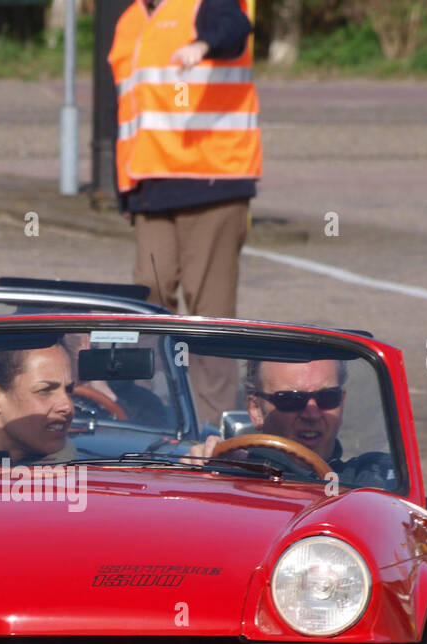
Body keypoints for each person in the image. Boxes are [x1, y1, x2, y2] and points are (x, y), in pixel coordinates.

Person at [108, 0, 260, 427]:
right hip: (151, 187)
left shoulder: (206, 4)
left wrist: (202, 43)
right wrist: (127, 192)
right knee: (147, 301)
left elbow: (232, 28)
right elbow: (130, 113)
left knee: (207, 316)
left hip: (211, 180)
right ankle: (153, 418)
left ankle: (214, 429)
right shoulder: (130, 21)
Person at [188, 358, 397, 488]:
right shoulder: (226, 474)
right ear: (255, 409)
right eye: (291, 399)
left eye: (327, 397)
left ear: (342, 401)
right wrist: (199, 466)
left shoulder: (372, 478)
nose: (312, 413)